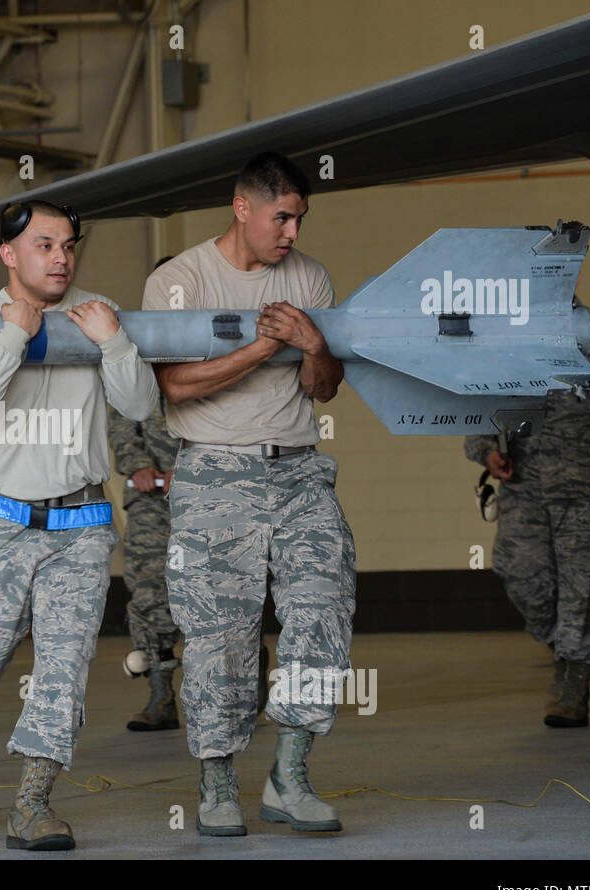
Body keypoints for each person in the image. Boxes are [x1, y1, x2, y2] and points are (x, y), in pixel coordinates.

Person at [0, 200, 159, 851]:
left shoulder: (95, 313)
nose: (61, 257)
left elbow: (140, 405)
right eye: (45, 244)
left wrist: (113, 340)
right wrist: (12, 335)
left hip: (79, 523)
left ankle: (33, 803)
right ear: (9, 253)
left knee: (64, 668)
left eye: (68, 245)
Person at [146, 152, 354, 837]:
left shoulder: (311, 275)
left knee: (324, 604)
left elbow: (323, 387)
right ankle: (216, 783)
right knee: (218, 635)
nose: (291, 232)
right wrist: (266, 347)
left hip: (297, 467)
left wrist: (314, 343)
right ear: (242, 207)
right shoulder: (179, 279)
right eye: (281, 216)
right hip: (212, 471)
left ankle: (289, 774)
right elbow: (174, 385)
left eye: (298, 218)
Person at [464, 300, 590, 727]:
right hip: (524, 485)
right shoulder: (502, 334)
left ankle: (572, 683)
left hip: (587, 485)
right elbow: (480, 399)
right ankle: (567, 644)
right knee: (520, 572)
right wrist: (486, 452)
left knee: (582, 580)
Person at [108, 392, 180, 730]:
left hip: (212, 492)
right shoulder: (135, 370)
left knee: (225, 593)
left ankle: (246, 670)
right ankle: (160, 695)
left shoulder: (214, 359)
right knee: (149, 589)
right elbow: (121, 424)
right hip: (150, 495)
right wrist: (138, 465)